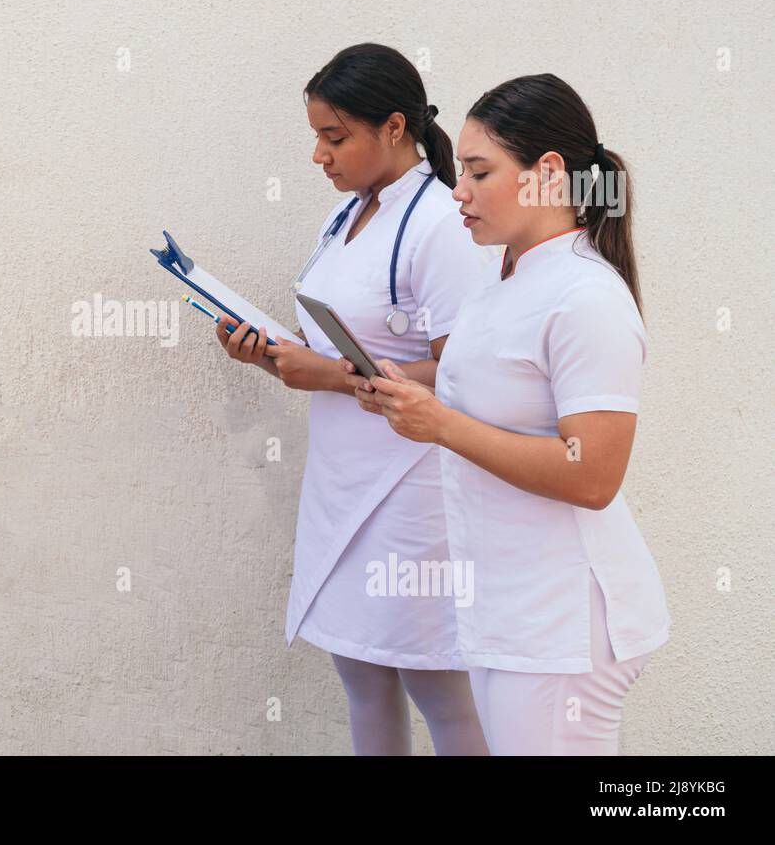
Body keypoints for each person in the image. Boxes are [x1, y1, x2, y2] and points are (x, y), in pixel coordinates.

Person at [362, 73, 670, 754]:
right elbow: (481, 391)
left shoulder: (585, 298)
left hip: (563, 622)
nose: (457, 191)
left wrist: (440, 425)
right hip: (507, 608)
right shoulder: (505, 277)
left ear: (546, 174)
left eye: (478, 171)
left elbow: (592, 476)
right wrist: (395, 387)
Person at [215, 43, 493, 754]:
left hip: (410, 490)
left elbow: (467, 370)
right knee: (361, 673)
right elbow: (345, 345)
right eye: (316, 136)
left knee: (437, 684)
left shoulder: (442, 223)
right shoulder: (346, 219)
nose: (318, 155)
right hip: (342, 480)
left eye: (334, 137)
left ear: (394, 127)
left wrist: (331, 375)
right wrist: (277, 356)